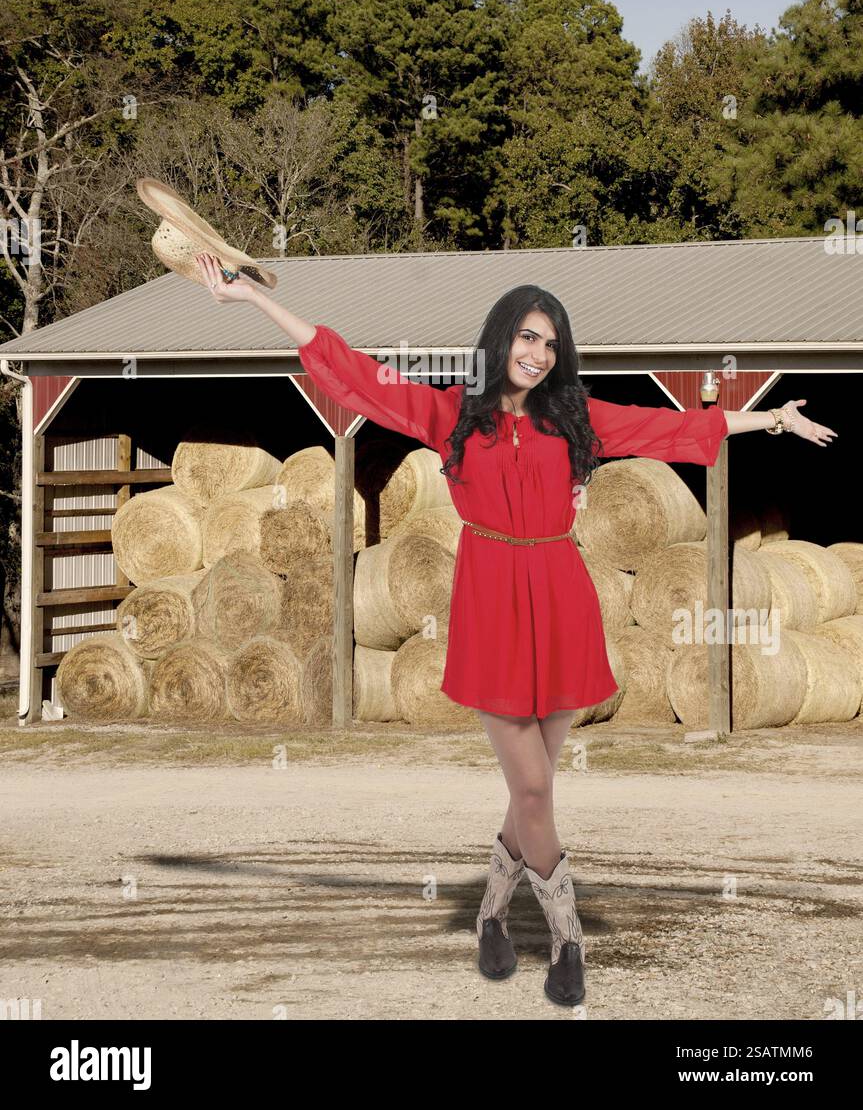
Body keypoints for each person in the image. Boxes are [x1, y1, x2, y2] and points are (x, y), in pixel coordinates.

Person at [194, 252, 838, 1007]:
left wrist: (768, 417)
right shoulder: (452, 417)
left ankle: (491, 917)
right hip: (492, 599)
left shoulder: (578, 421)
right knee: (531, 785)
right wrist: (252, 302)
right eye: (526, 338)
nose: (536, 354)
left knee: (531, 794)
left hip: (561, 595)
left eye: (550, 343)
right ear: (500, 340)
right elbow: (356, 374)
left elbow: (671, 428)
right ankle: (566, 938)